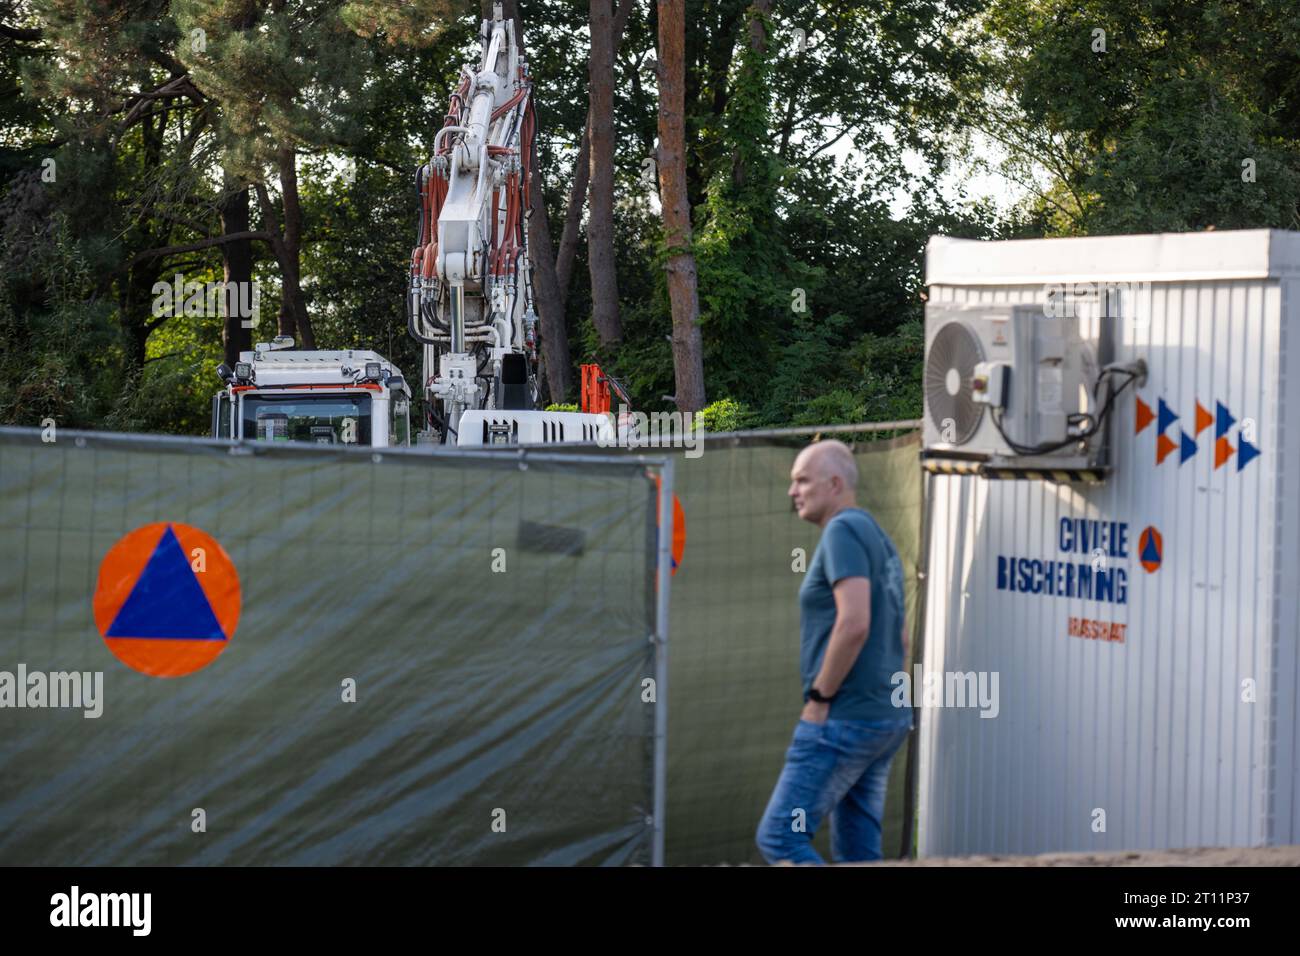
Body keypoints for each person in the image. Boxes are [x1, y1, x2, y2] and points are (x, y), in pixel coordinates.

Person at [755, 439, 913, 865]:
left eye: (802, 480)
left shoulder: (843, 531)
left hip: (843, 718)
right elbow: (901, 636)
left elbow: (854, 622)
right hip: (885, 717)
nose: (793, 491)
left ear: (835, 483)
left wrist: (820, 699)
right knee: (859, 850)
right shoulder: (878, 535)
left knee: (779, 838)